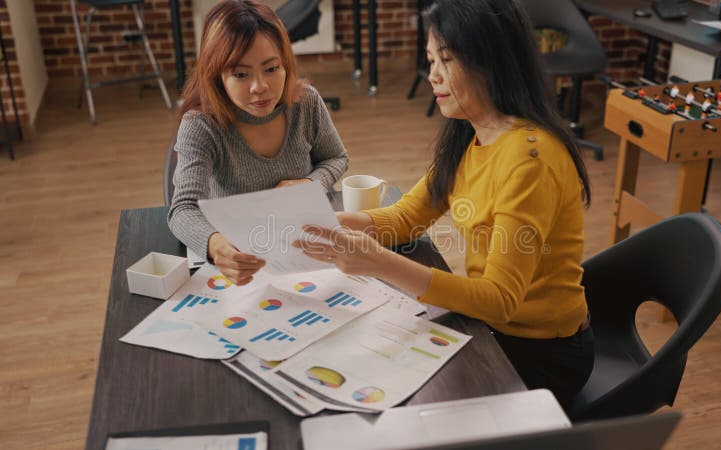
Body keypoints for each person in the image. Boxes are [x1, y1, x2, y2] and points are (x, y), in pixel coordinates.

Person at [294, 0, 594, 408]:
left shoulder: (530, 160)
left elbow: (500, 300)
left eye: (446, 59)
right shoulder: (470, 133)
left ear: (491, 60)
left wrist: (378, 262)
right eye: (431, 59)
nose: (432, 74)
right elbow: (407, 216)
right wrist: (330, 222)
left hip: (541, 352)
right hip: (492, 327)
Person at [168, 0, 348, 286]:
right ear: (217, 76)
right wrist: (217, 247)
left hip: (303, 244)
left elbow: (336, 158)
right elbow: (182, 210)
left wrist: (309, 184)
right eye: (241, 74)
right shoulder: (201, 125)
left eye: (272, 68)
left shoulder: (306, 103)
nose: (260, 87)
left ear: (285, 64)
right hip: (241, 253)